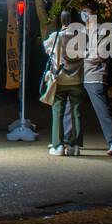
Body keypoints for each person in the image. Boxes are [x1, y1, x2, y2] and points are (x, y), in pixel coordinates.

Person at [79, 0, 112, 155]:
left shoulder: (103, 31)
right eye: (82, 11)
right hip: (79, 75)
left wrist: (81, 57)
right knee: (72, 108)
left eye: (86, 11)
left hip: (95, 76)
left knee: (103, 110)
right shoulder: (81, 30)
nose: (84, 14)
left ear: (95, 13)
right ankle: (73, 142)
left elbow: (100, 54)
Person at [43, 10, 84, 156]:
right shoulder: (84, 37)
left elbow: (47, 48)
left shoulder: (57, 36)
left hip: (60, 79)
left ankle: (58, 145)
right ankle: (75, 146)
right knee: (76, 112)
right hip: (78, 79)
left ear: (63, 21)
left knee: (57, 112)